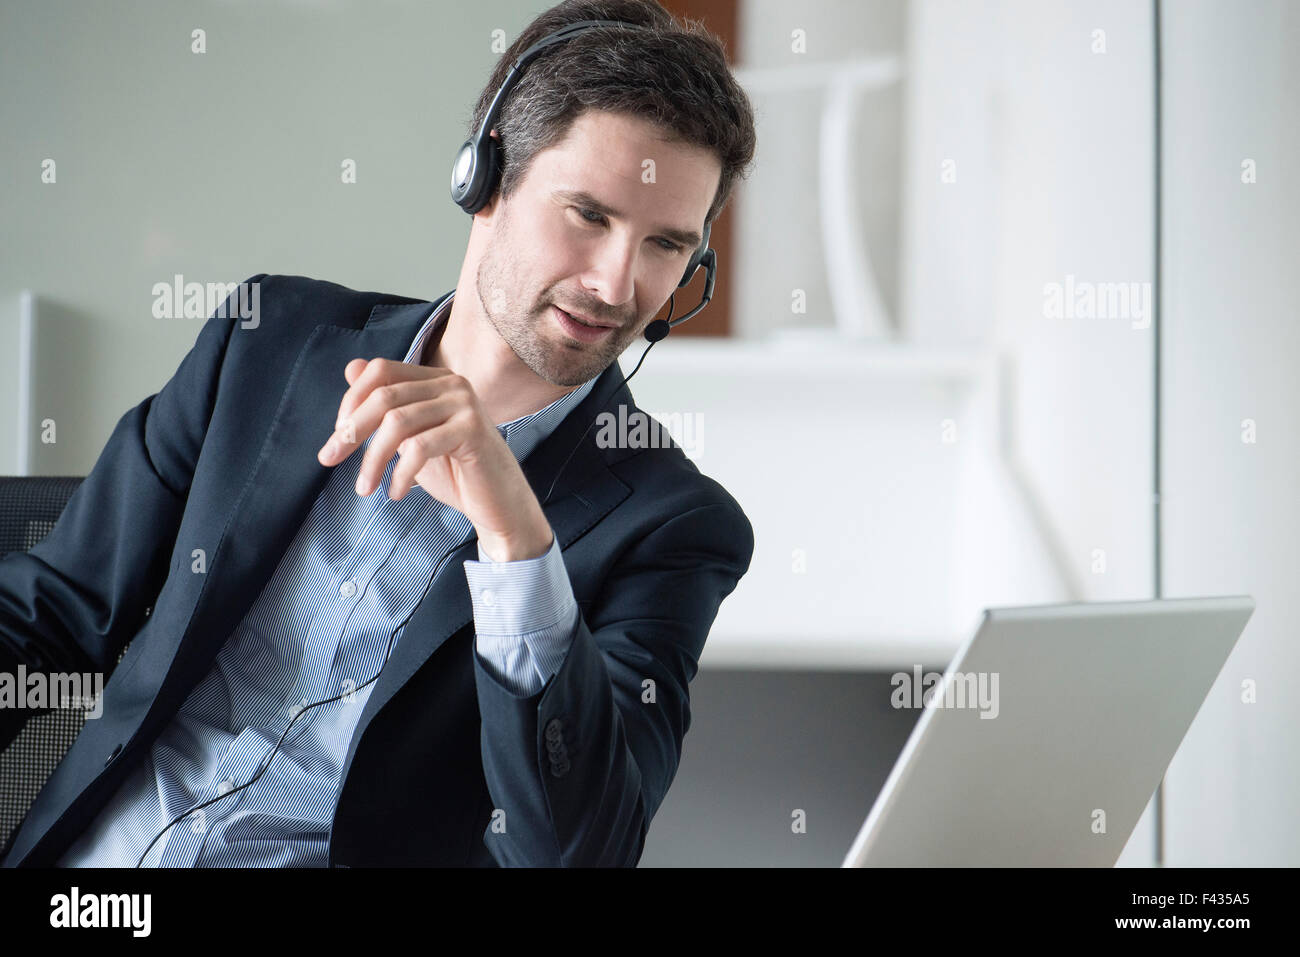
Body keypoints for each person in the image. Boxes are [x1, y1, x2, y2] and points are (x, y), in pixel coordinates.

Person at [0, 0, 756, 867]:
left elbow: (578, 851)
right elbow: (49, 615)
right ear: (484, 179)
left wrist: (519, 547)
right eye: (589, 215)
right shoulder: (268, 344)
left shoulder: (674, 526)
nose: (618, 284)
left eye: (665, 244)